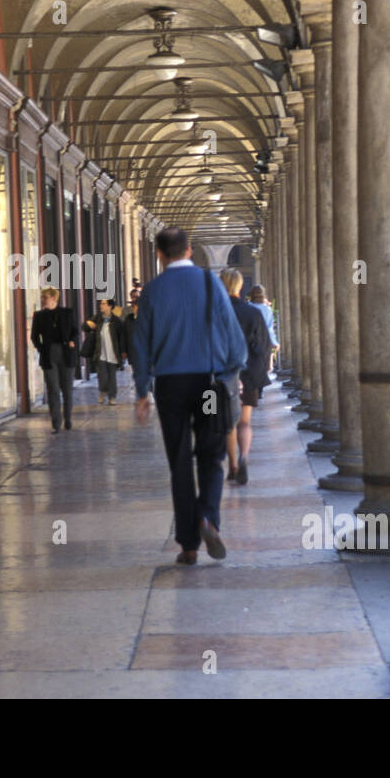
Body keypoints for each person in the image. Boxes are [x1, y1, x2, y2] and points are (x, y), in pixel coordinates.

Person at [133, 228, 247, 565]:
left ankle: (188, 545)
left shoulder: (151, 292)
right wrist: (234, 370)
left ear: (159, 254)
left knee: (179, 461)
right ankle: (208, 517)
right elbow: (230, 331)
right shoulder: (211, 284)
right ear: (189, 250)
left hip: (170, 388)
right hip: (209, 386)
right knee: (211, 455)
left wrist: (142, 390)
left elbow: (140, 344)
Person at [224, 270, 271, 484]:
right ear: (240, 286)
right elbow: (263, 345)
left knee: (228, 423)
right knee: (244, 421)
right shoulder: (253, 313)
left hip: (224, 374)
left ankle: (233, 466)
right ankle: (244, 456)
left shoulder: (215, 313)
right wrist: (260, 373)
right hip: (249, 372)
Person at [30, 287, 79, 433]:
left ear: (53, 298)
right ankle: (56, 423)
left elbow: (75, 331)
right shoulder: (39, 315)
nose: (43, 299)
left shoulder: (67, 313)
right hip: (49, 354)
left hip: (66, 354)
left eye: (45, 297)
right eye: (42, 297)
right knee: (53, 389)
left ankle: (68, 419)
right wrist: (41, 348)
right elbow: (34, 336)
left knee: (67, 389)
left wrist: (71, 341)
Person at [81, 298, 128, 405]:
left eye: (103, 304)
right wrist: (87, 324)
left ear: (110, 306)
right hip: (100, 353)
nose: (100, 305)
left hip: (113, 353)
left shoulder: (117, 321)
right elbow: (84, 327)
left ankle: (112, 397)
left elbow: (122, 338)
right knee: (102, 376)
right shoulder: (97, 318)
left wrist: (123, 351)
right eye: (100, 303)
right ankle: (103, 391)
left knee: (112, 376)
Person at [249, 285, 278, 376]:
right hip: (263, 342)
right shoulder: (267, 309)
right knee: (262, 371)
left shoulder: (248, 307)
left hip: (250, 341)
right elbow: (269, 328)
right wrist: (274, 342)